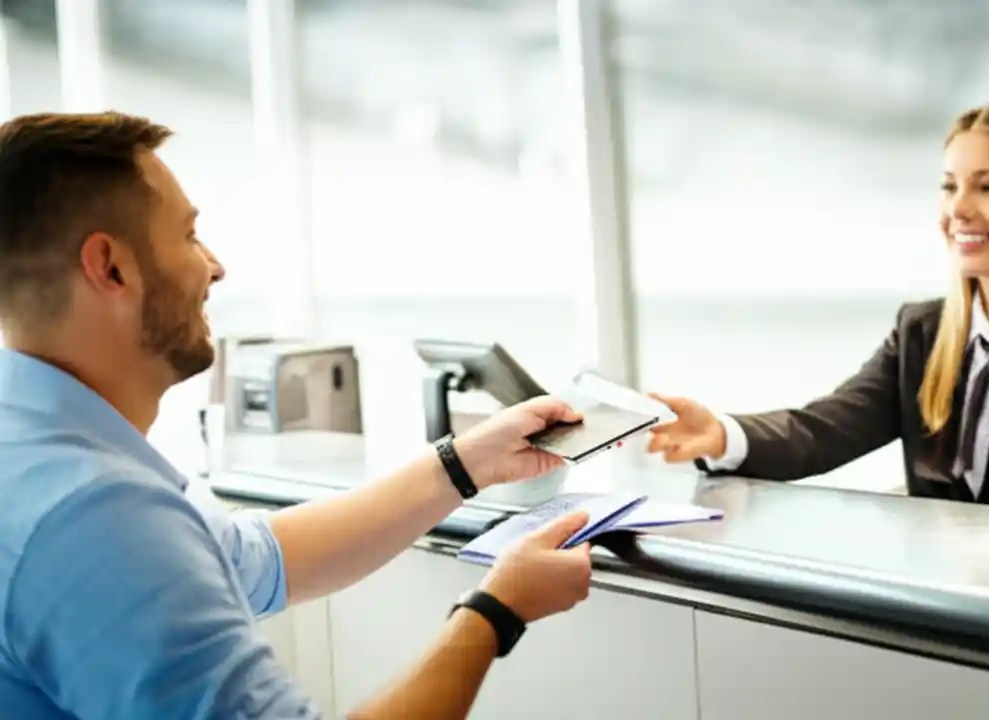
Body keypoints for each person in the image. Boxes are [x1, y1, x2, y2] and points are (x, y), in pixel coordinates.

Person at [0, 112, 592, 719]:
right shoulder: (94, 519)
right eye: (186, 235)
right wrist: (496, 610)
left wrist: (464, 464)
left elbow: (255, 560)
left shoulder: (32, 451)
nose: (214, 265)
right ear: (111, 267)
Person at [648, 97, 989, 516]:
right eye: (948, 186)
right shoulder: (922, 333)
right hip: (948, 638)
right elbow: (823, 429)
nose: (959, 208)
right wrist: (721, 433)